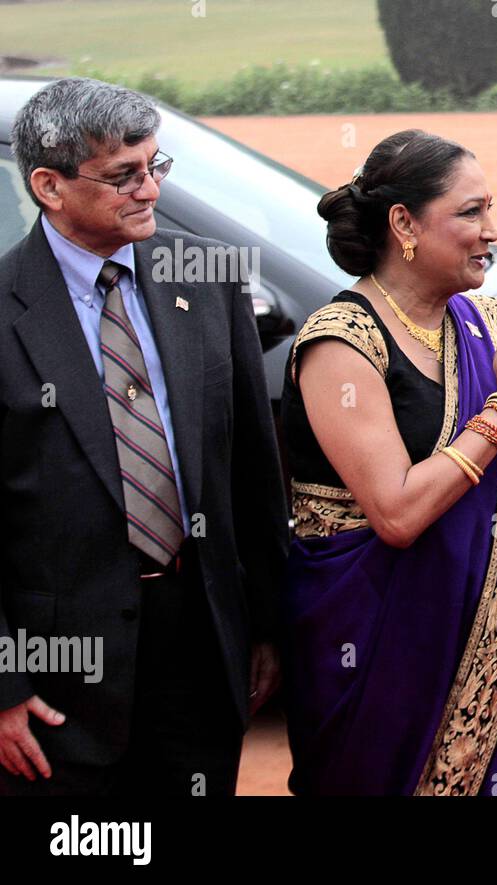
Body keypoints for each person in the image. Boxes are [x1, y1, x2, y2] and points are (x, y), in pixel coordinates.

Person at [0, 78, 287, 795]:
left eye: (156, 167)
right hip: (58, 679)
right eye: (123, 175)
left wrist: (269, 627)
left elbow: (252, 471)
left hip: (201, 648)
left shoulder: (208, 276)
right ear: (49, 185)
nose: (149, 190)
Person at [280, 129, 497, 796]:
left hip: (489, 642)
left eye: (489, 208)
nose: (491, 230)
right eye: (470, 212)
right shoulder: (342, 344)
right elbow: (398, 512)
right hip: (375, 647)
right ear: (404, 224)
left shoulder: (487, 324)